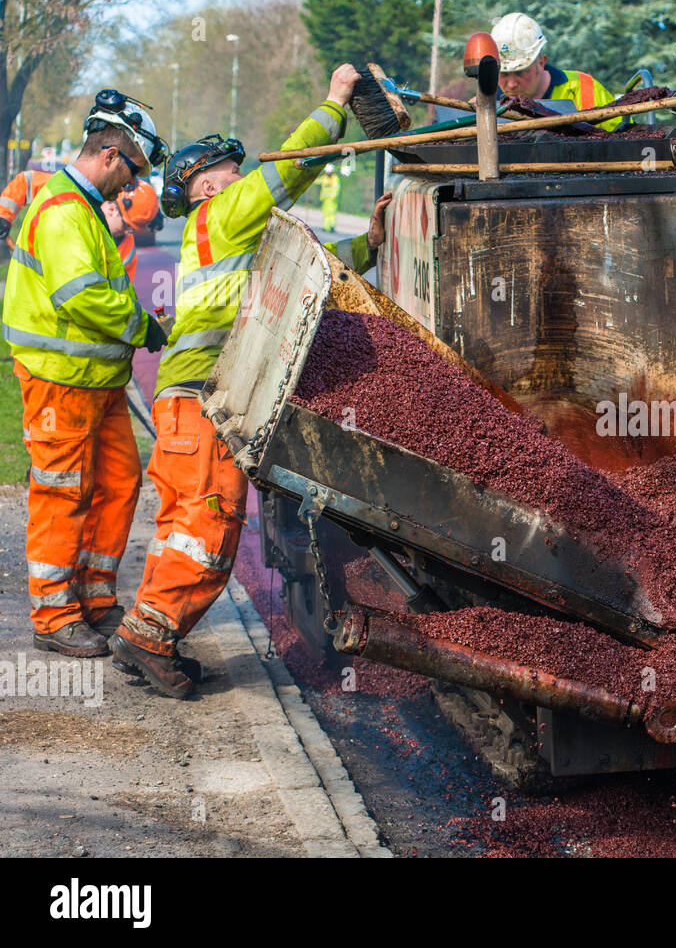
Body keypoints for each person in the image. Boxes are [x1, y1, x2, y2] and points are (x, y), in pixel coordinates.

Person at [110, 63, 393, 698]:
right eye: (232, 172)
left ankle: (147, 632)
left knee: (183, 522)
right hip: (202, 399)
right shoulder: (222, 217)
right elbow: (285, 171)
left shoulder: (237, 238)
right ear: (206, 183)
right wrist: (335, 103)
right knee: (210, 522)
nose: (243, 179)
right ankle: (150, 637)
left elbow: (305, 278)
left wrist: (368, 247)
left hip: (192, 399)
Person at [2, 90, 168, 658]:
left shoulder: (83, 210)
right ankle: (53, 614)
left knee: (119, 484)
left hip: (97, 383)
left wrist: (139, 322)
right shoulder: (63, 210)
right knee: (61, 493)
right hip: (60, 382)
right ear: (112, 153)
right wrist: (141, 325)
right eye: (133, 174)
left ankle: (95, 598)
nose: (130, 188)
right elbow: (82, 296)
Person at [490, 12, 620, 131]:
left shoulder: (584, 89)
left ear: (541, 62)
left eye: (521, 72)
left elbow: (623, 139)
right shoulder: (481, 105)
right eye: (504, 73)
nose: (512, 84)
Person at [319, 163, 340, 231]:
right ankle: (326, 226)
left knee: (332, 213)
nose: (328, 173)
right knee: (326, 213)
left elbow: (336, 189)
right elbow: (320, 181)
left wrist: (333, 197)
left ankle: (332, 226)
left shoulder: (335, 178)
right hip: (325, 199)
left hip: (332, 200)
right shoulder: (324, 177)